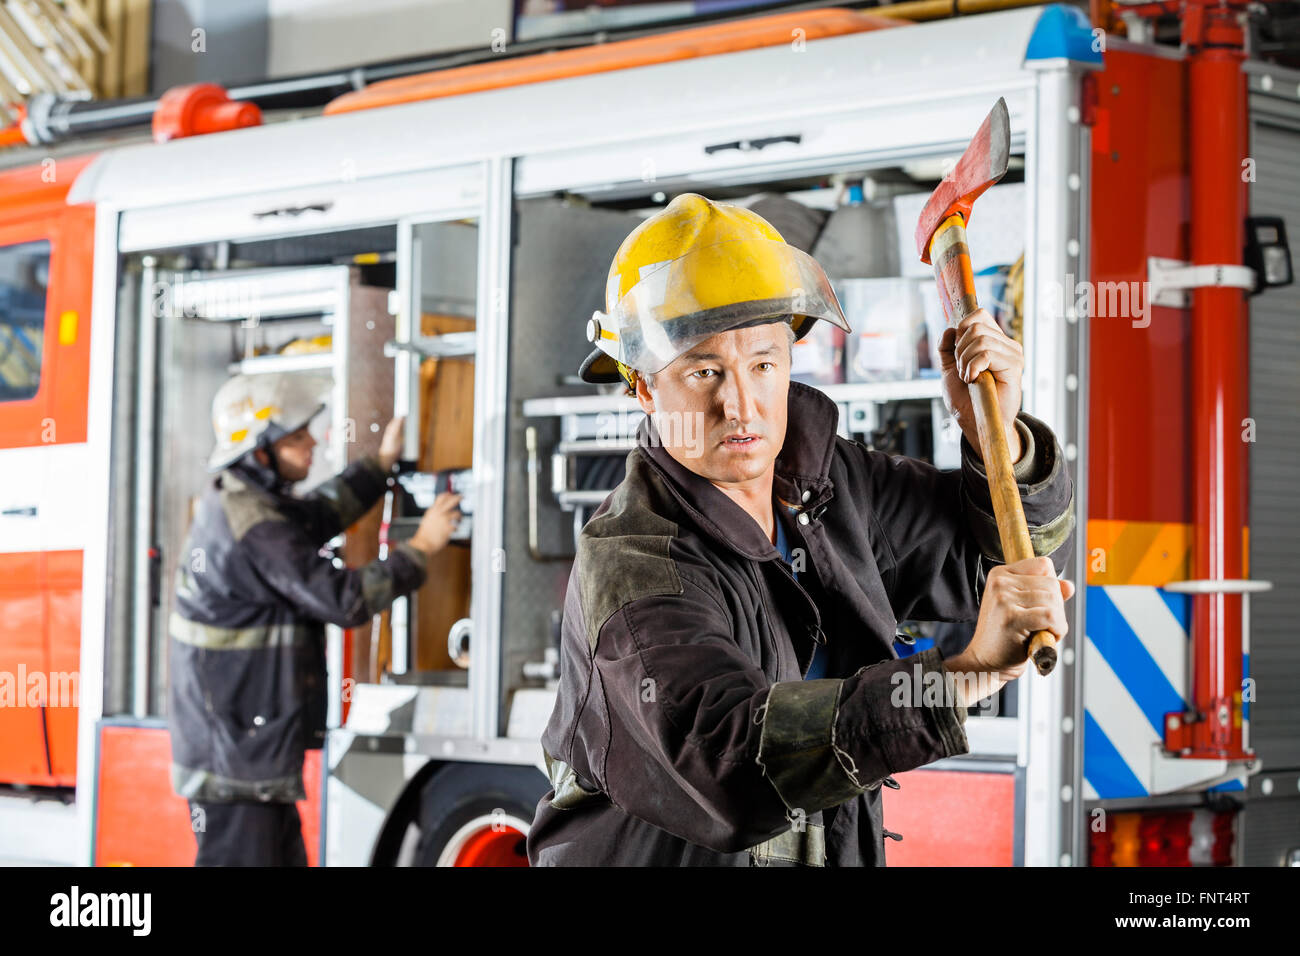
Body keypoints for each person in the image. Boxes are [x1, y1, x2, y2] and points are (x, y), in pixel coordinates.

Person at [527, 193, 1076, 866]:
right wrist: (954, 682)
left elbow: (978, 568)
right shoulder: (636, 561)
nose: (740, 403)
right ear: (641, 385)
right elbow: (731, 762)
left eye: (762, 364)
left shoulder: (830, 484)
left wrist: (999, 437)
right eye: (704, 371)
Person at [169, 372, 461, 866]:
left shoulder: (248, 499)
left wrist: (378, 467)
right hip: (236, 758)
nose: (314, 441)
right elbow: (342, 600)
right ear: (259, 448)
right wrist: (419, 549)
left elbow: (315, 517)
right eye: (296, 435)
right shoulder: (254, 525)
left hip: (245, 750)